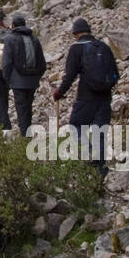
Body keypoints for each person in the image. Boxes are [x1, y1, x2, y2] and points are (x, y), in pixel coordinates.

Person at [53, 17, 119, 179]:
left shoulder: (76, 48)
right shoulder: (103, 47)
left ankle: (90, 155)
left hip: (86, 97)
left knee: (76, 125)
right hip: (105, 96)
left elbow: (70, 75)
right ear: (89, 30)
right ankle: (101, 170)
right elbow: (115, 73)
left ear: (75, 33)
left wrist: (59, 92)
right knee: (100, 131)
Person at [1, 13, 46, 135]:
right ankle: (28, 130)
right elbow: (42, 63)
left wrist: (7, 79)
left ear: (13, 25)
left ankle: (25, 136)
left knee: (21, 108)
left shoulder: (10, 39)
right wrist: (36, 76)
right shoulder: (34, 38)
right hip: (32, 81)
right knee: (28, 106)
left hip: (18, 81)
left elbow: (7, 62)